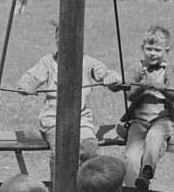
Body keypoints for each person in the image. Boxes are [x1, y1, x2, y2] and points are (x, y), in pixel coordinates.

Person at [17, 23, 122, 181]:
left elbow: (110, 76)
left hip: (80, 117)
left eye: (70, 42)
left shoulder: (87, 63)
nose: (65, 46)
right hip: (53, 117)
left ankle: (87, 187)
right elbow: (29, 78)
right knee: (63, 148)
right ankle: (58, 187)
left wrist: (111, 79)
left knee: (90, 149)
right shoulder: (48, 62)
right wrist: (27, 86)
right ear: (56, 40)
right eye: (60, 41)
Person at [110, 25, 174, 192]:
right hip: (139, 119)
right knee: (131, 156)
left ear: (166, 50)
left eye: (158, 50)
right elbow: (129, 95)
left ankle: (147, 173)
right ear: (142, 47)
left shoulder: (170, 70)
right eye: (149, 49)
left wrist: (164, 88)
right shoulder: (136, 68)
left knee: (155, 137)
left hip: (162, 118)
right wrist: (141, 88)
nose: (153, 53)